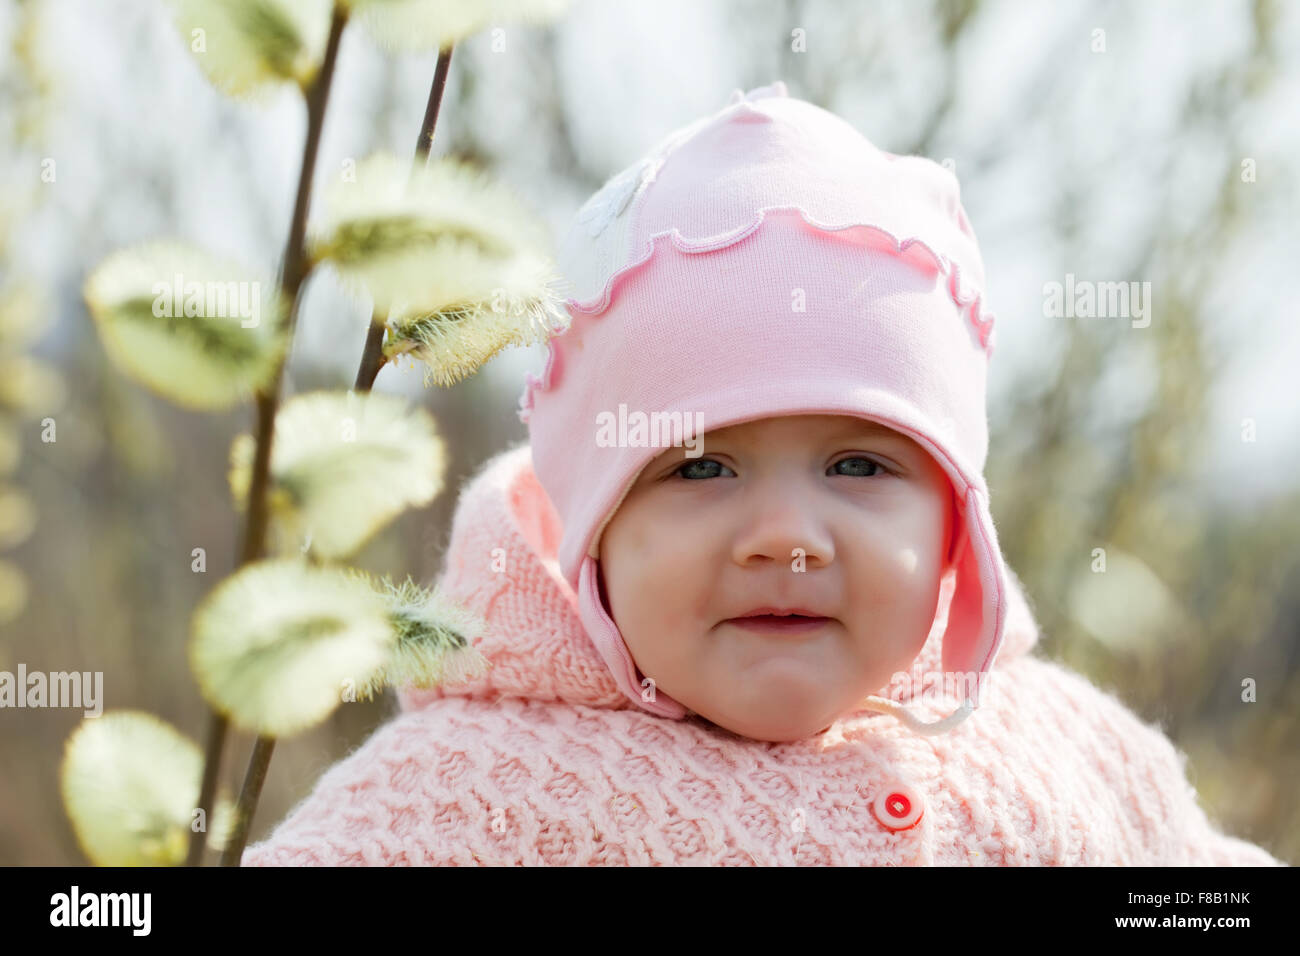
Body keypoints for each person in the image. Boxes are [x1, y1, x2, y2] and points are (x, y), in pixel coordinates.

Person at [241, 81, 1283, 866]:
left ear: (958, 521)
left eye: (859, 462)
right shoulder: (469, 794)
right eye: (700, 467)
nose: (785, 532)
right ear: (591, 527)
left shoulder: (1063, 760)